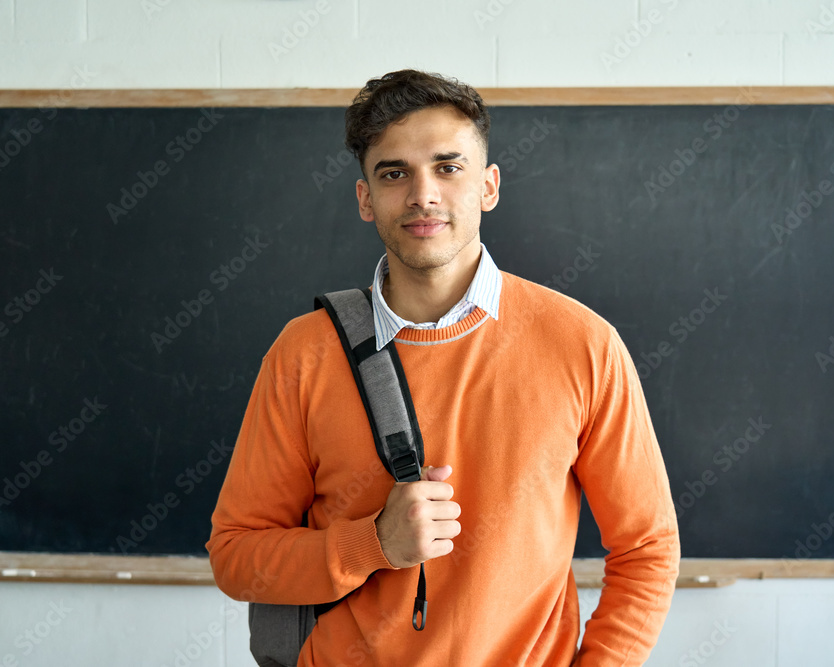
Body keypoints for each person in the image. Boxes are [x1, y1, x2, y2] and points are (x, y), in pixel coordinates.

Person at [207, 68, 680, 666]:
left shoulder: (584, 343)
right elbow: (237, 559)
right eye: (394, 173)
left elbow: (647, 549)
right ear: (364, 198)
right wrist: (372, 545)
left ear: (488, 186)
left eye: (447, 167)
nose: (422, 194)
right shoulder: (303, 354)